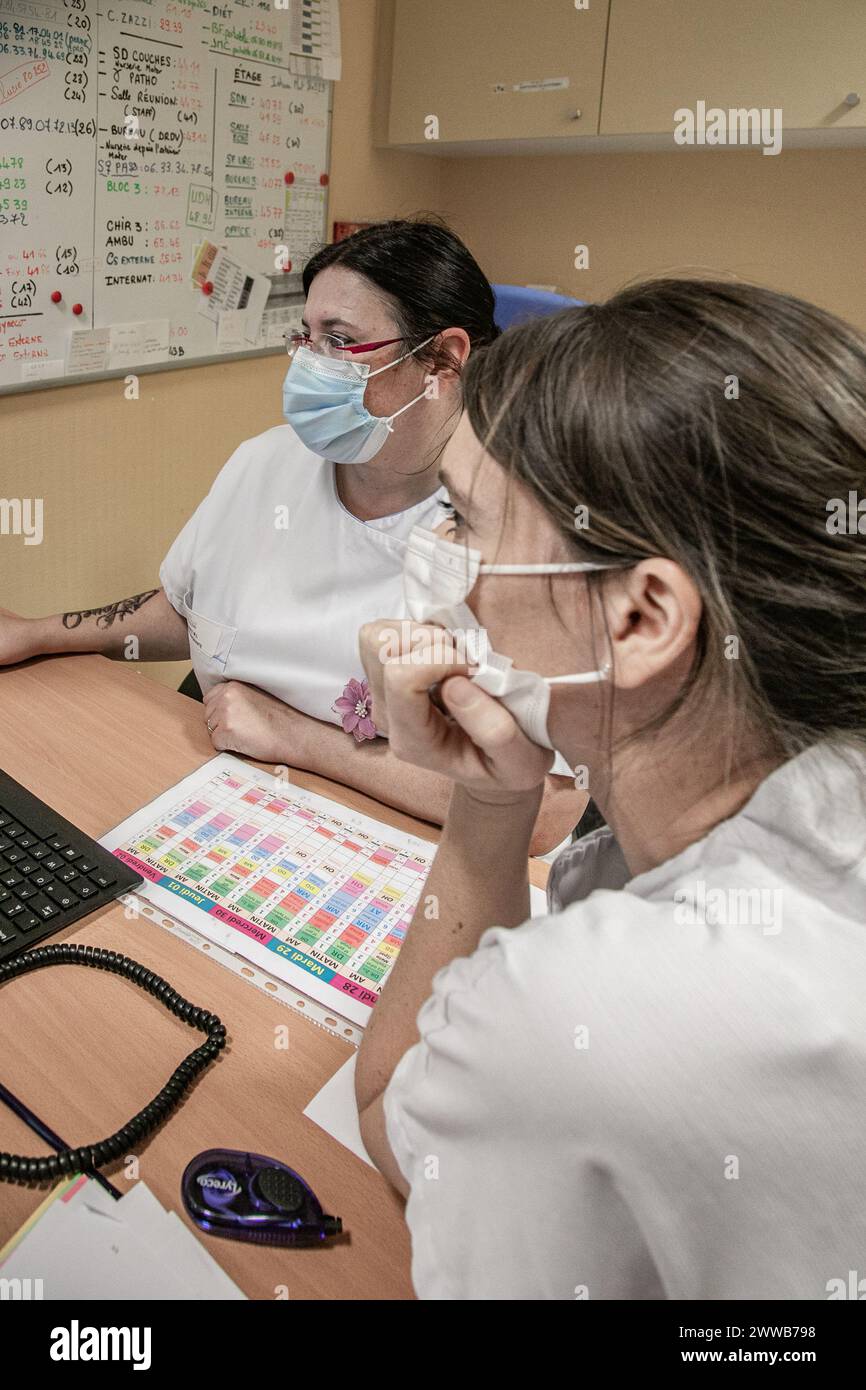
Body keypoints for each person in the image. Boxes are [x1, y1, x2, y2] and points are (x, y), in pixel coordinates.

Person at [354, 278, 866, 1299]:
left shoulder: (577, 1011)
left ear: (639, 620)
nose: (433, 556)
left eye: (461, 517)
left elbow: (391, 1119)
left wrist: (478, 819)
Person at [0, 218, 585, 851]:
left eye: (340, 340)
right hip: (223, 792)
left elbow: (545, 812)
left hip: (397, 855)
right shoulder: (267, 462)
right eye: (306, 338)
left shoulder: (521, 533)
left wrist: (301, 741)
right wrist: (36, 633)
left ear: (442, 358)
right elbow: (191, 609)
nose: (310, 366)